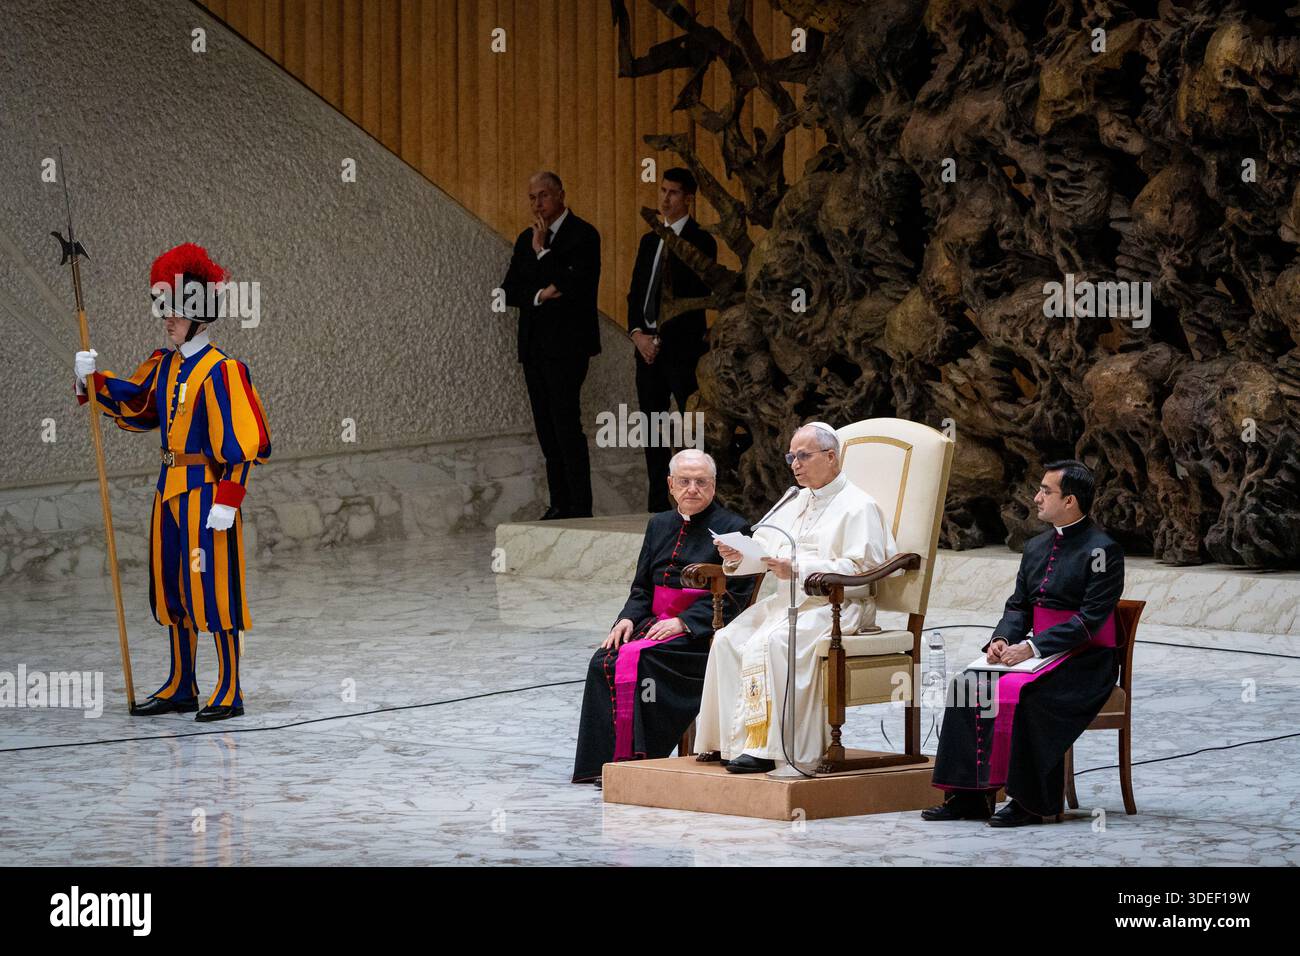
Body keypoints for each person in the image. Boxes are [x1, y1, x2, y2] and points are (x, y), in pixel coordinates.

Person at [73, 242, 271, 722]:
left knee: (215, 589)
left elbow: (244, 442)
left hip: (207, 492)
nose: (167, 319)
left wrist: (229, 498)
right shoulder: (165, 365)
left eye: (177, 311)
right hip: (169, 490)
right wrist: (92, 381)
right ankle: (182, 683)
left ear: (200, 315)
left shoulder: (223, 371)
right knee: (173, 587)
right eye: (165, 309)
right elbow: (140, 406)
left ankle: (229, 687)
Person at [924, 460, 1125, 826]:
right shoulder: (1035, 546)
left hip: (1086, 660)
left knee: (1031, 699)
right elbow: (1019, 606)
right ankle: (968, 798)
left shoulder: (1102, 551)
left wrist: (1031, 647)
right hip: (1037, 653)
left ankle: (1030, 803)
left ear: (1070, 501)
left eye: (1046, 491)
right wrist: (1001, 640)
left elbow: (1090, 619)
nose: (1036, 498)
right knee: (967, 686)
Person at [695, 423, 899, 773]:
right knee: (728, 639)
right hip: (787, 602)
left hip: (837, 606)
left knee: (774, 643)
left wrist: (800, 568)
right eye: (791, 457)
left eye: (803, 456)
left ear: (831, 457)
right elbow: (765, 551)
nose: (795, 465)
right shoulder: (795, 499)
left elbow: (863, 568)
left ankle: (771, 748)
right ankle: (732, 742)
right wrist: (738, 554)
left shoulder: (859, 506)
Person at [572, 449, 753, 784]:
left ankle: (638, 760)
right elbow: (642, 587)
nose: (692, 489)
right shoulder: (659, 524)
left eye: (701, 482)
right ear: (670, 485)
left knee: (646, 664)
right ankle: (603, 764)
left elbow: (736, 594)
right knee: (603, 661)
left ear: (714, 486)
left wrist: (685, 622)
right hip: (652, 623)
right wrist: (626, 619)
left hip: (700, 634)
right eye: (684, 481)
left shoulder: (733, 528)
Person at [501, 171, 601, 519]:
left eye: (543, 195)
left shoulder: (584, 235)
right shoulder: (525, 238)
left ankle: (580, 507)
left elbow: (574, 285)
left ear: (560, 194)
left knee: (566, 425)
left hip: (568, 348)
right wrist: (541, 295)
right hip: (534, 348)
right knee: (546, 429)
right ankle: (559, 503)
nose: (537, 204)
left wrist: (543, 252)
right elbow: (510, 290)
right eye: (532, 197)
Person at [625, 168, 717, 512]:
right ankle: (658, 504)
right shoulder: (649, 240)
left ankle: (697, 499)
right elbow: (636, 293)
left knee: (692, 425)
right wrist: (638, 334)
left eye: (673, 192)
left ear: (688, 198)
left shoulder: (700, 240)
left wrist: (661, 339)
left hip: (682, 350)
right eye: (663, 190)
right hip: (645, 348)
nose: (665, 198)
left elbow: (696, 297)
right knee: (651, 426)